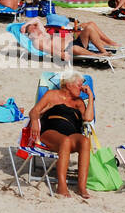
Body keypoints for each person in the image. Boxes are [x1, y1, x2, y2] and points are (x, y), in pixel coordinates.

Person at [27, 69, 95, 198]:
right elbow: (34, 112)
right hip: (50, 131)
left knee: (85, 141)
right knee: (65, 141)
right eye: (79, 85)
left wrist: (90, 97)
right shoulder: (52, 94)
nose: (82, 89)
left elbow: (88, 118)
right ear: (69, 84)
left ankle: (81, 187)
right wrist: (35, 121)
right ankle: (61, 185)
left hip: (72, 133)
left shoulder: (79, 102)